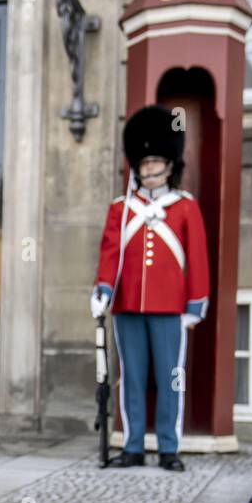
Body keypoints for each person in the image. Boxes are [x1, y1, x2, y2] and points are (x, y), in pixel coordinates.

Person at [91, 105, 210, 471]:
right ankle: (133, 446)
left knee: (170, 378)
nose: (150, 169)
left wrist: (196, 304)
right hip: (127, 306)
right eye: (145, 163)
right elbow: (111, 254)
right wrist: (103, 291)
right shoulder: (121, 209)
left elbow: (199, 258)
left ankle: (169, 448)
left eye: (157, 161)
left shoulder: (186, 207)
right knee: (132, 379)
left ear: (170, 164)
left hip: (170, 308)